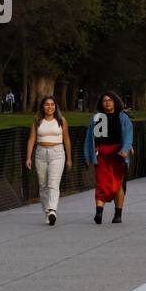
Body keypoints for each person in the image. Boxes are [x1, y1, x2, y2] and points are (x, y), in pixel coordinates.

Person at [84, 91, 133, 224]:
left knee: (117, 184)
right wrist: (87, 156)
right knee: (101, 182)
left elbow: (128, 135)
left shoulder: (122, 117)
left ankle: (118, 213)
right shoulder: (97, 117)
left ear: (115, 102)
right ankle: (99, 211)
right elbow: (89, 138)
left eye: (110, 100)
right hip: (101, 154)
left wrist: (125, 149)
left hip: (118, 154)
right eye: (104, 100)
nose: (107, 102)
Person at [25, 95, 72, 225]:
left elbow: (67, 139)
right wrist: (28, 157)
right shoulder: (37, 121)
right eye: (47, 104)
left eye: (52, 104)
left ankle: (52, 210)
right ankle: (47, 212)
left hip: (57, 153)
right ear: (42, 107)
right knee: (43, 184)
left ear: (55, 107)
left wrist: (69, 159)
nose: (49, 107)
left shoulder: (61, 121)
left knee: (53, 183)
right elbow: (31, 139)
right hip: (40, 153)